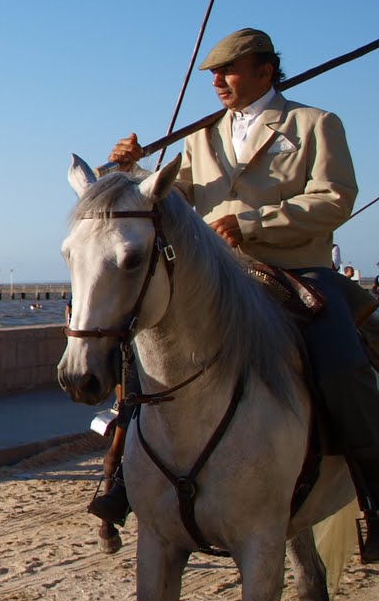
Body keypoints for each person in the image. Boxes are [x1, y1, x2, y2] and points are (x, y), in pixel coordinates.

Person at [105, 27, 379, 561]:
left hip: (295, 269)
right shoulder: (202, 135)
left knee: (343, 364)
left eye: (228, 70)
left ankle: (375, 492)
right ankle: (119, 481)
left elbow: (335, 197)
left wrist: (252, 222)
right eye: (212, 74)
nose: (217, 82)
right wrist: (135, 172)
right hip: (216, 279)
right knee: (137, 348)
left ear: (265, 70)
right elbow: (175, 199)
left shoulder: (314, 124)